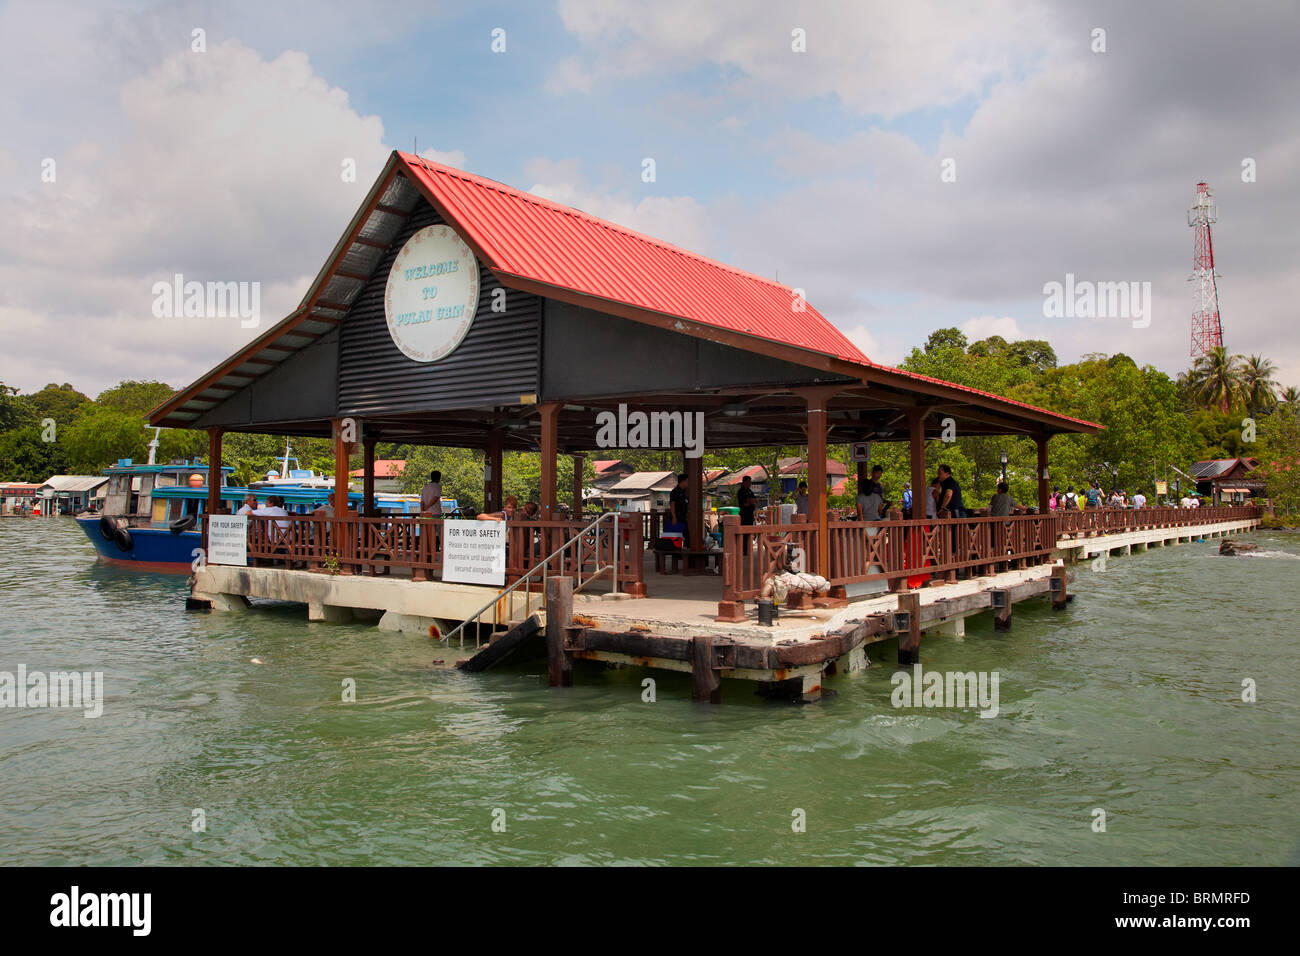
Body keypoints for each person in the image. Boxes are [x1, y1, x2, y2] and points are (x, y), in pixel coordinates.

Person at [667, 473, 689, 545]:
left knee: (687, 536)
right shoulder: (675, 492)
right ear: (683, 481)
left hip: (683, 517)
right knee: (675, 539)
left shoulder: (685, 492)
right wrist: (674, 517)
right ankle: (676, 555)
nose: (688, 483)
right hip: (676, 517)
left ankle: (686, 552)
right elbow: (672, 505)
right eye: (687, 481)